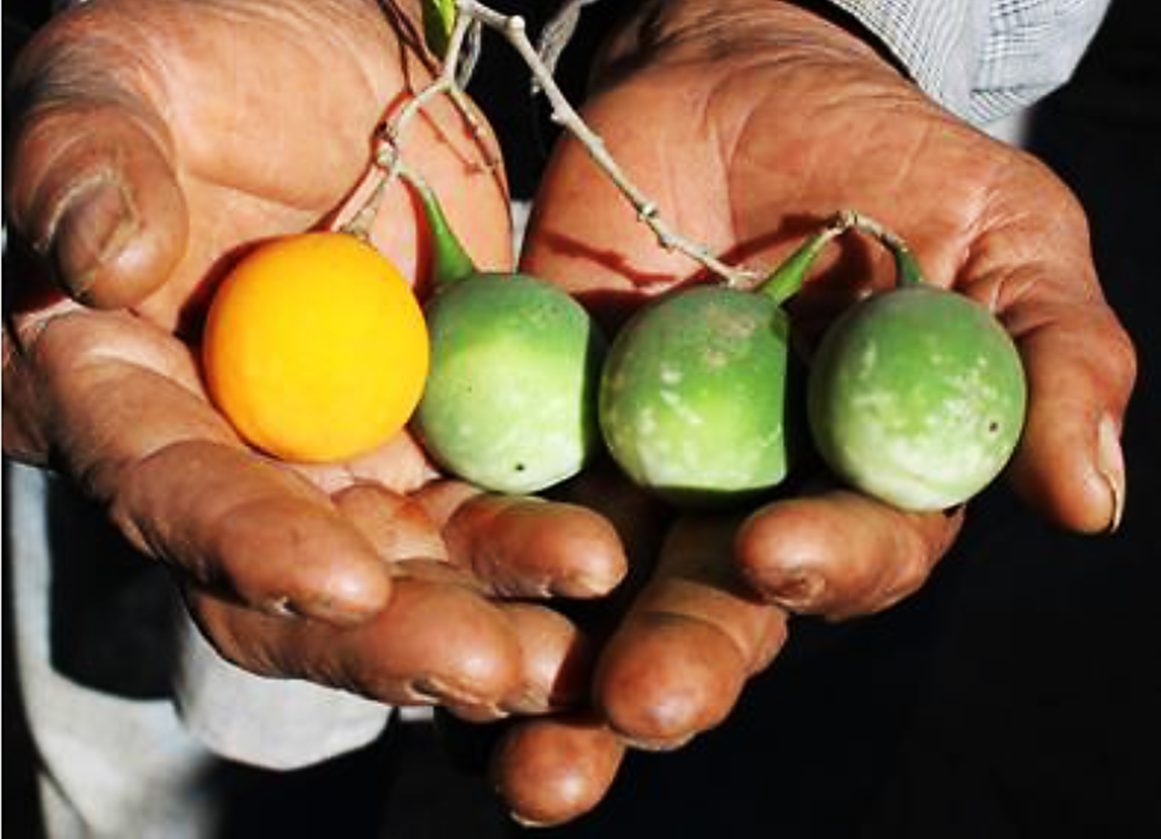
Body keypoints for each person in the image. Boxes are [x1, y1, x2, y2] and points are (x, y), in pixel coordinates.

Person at [2, 0, 1136, 836]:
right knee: (194, 727)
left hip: (770, 162)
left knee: (736, 715)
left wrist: (811, 14)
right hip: (246, 188)